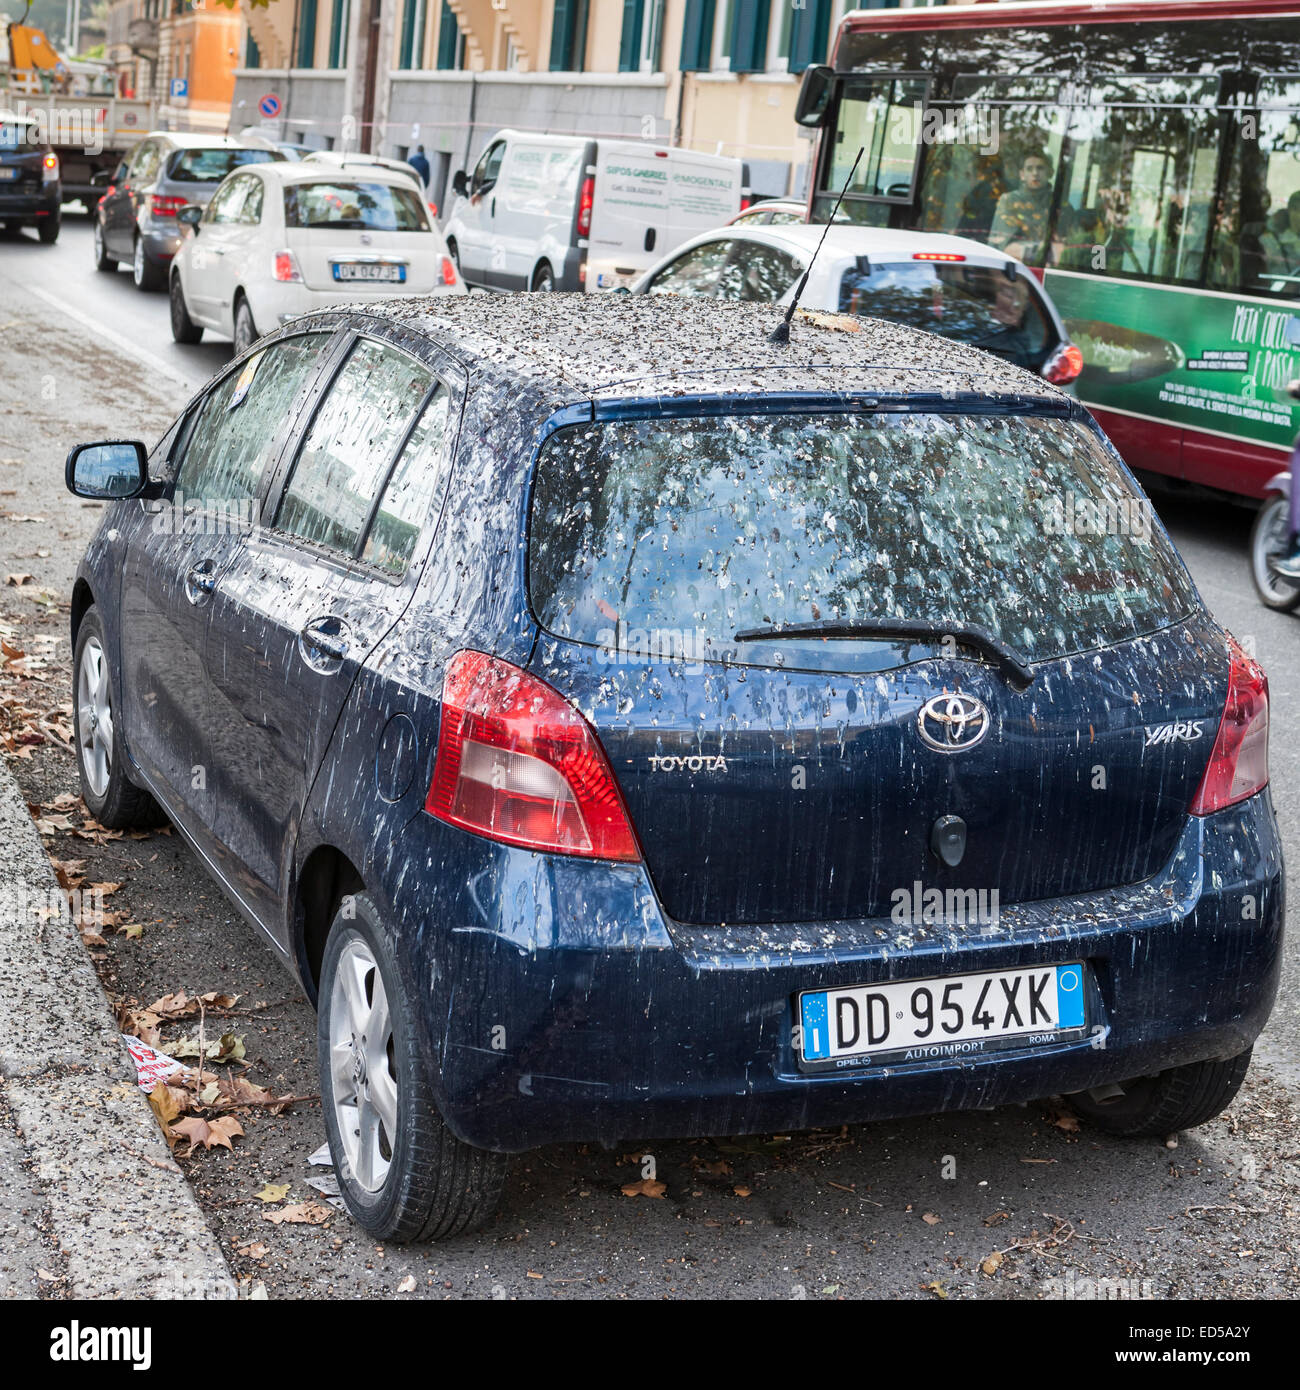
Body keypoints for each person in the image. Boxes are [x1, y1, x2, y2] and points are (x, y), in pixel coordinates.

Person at [989, 150, 1059, 264]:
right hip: (1012, 268)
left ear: (1050, 173)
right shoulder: (1009, 201)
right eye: (1030, 169)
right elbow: (1005, 247)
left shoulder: (1060, 205)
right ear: (1022, 174)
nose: (1035, 173)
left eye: (1040, 168)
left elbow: (1066, 249)